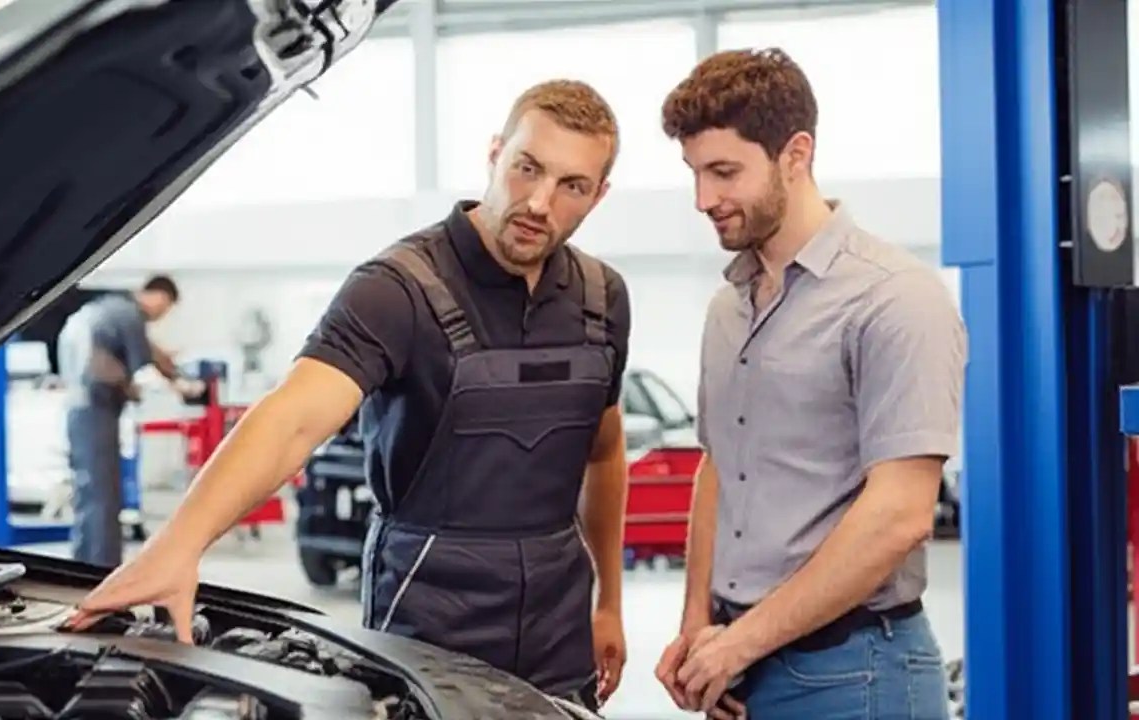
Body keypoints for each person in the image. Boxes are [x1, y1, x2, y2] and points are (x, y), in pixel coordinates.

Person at [63, 79, 633, 711]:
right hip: (431, 623)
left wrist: (608, 602)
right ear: (496, 154)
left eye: (572, 186)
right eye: (528, 169)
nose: (539, 202)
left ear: (599, 195)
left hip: (560, 628)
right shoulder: (398, 289)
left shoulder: (601, 299)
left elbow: (603, 454)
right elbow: (292, 421)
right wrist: (178, 545)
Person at [651, 48, 966, 719]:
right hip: (744, 666)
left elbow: (900, 518)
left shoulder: (895, 299)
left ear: (796, 154)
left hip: (858, 675)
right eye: (695, 174)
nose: (704, 199)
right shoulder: (728, 306)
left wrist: (738, 645)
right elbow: (719, 470)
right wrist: (699, 627)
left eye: (724, 172)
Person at [57, 274, 188, 567]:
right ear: (156, 295)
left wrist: (167, 366)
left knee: (88, 490)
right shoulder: (129, 315)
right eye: (164, 308)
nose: (160, 315)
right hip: (97, 411)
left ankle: (82, 563)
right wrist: (177, 386)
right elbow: (141, 367)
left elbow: (150, 354)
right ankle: (104, 568)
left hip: (79, 409)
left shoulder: (106, 309)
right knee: (104, 494)